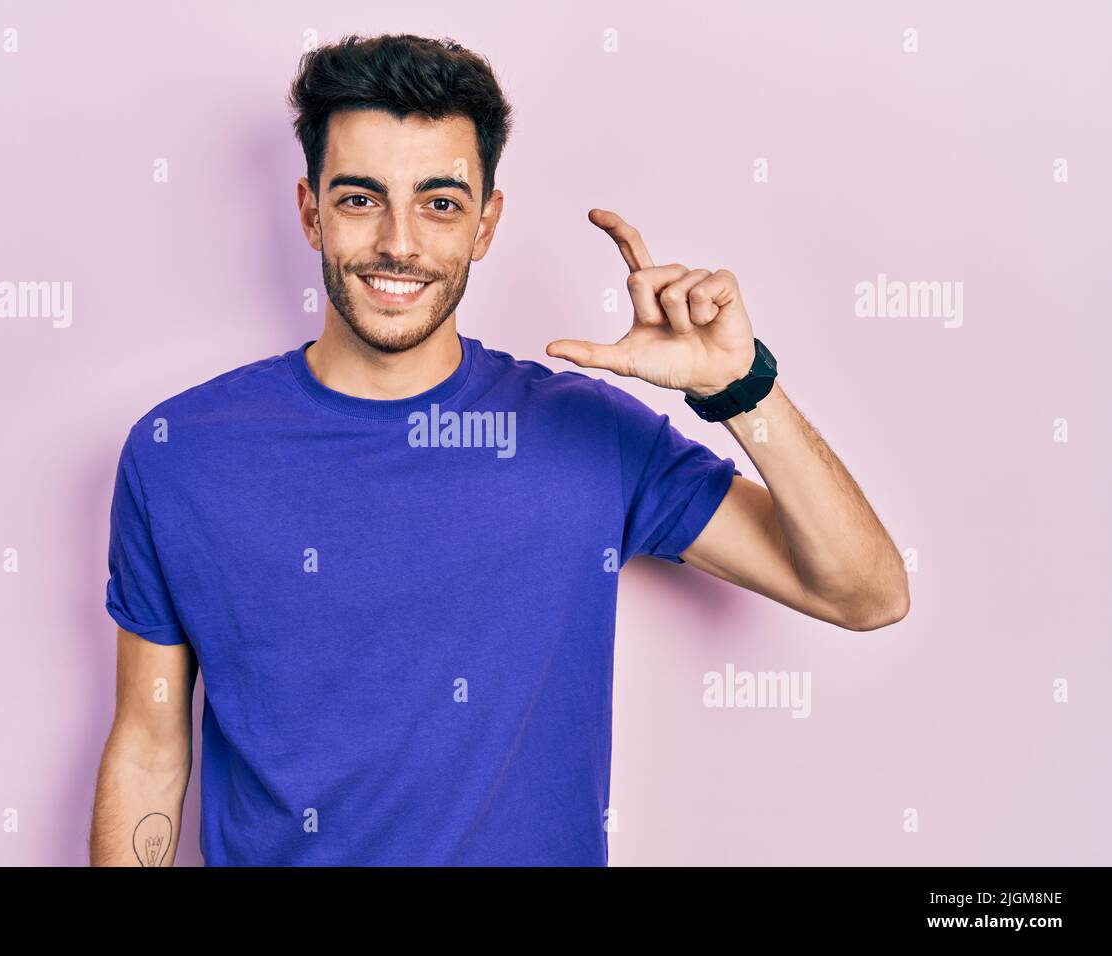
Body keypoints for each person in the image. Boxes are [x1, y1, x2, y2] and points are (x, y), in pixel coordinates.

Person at [88, 33, 909, 867]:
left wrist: (742, 389)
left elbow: (865, 593)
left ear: (486, 223)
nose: (399, 243)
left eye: (440, 203)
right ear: (310, 212)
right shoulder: (179, 455)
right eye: (360, 199)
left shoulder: (589, 436)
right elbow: (150, 749)